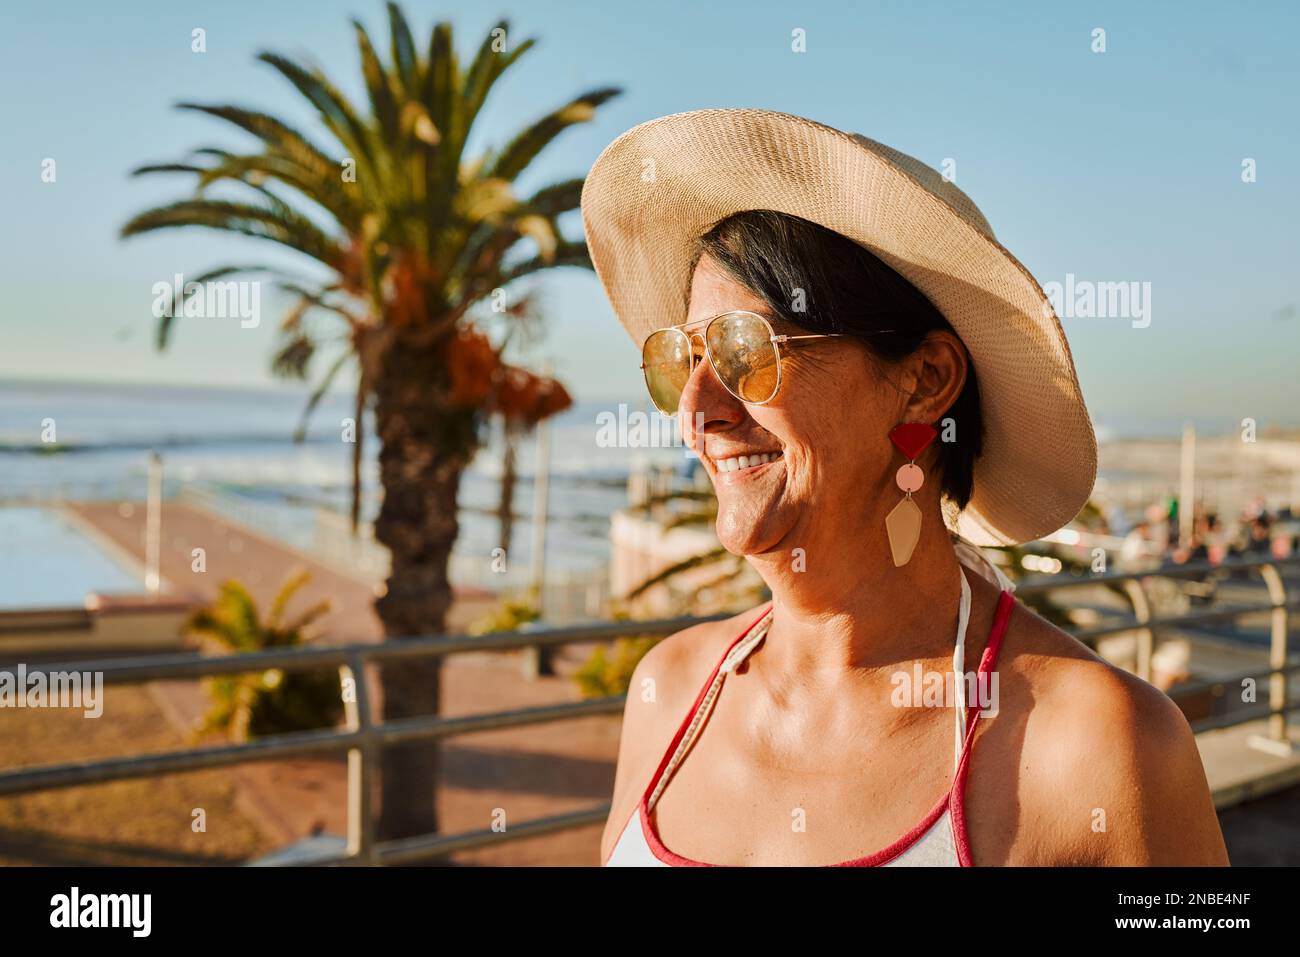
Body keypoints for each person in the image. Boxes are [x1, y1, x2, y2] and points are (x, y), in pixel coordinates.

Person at [581, 109, 1227, 866]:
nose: (697, 411)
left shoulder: (1098, 748)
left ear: (926, 380)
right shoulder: (670, 693)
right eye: (681, 356)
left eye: (745, 350)